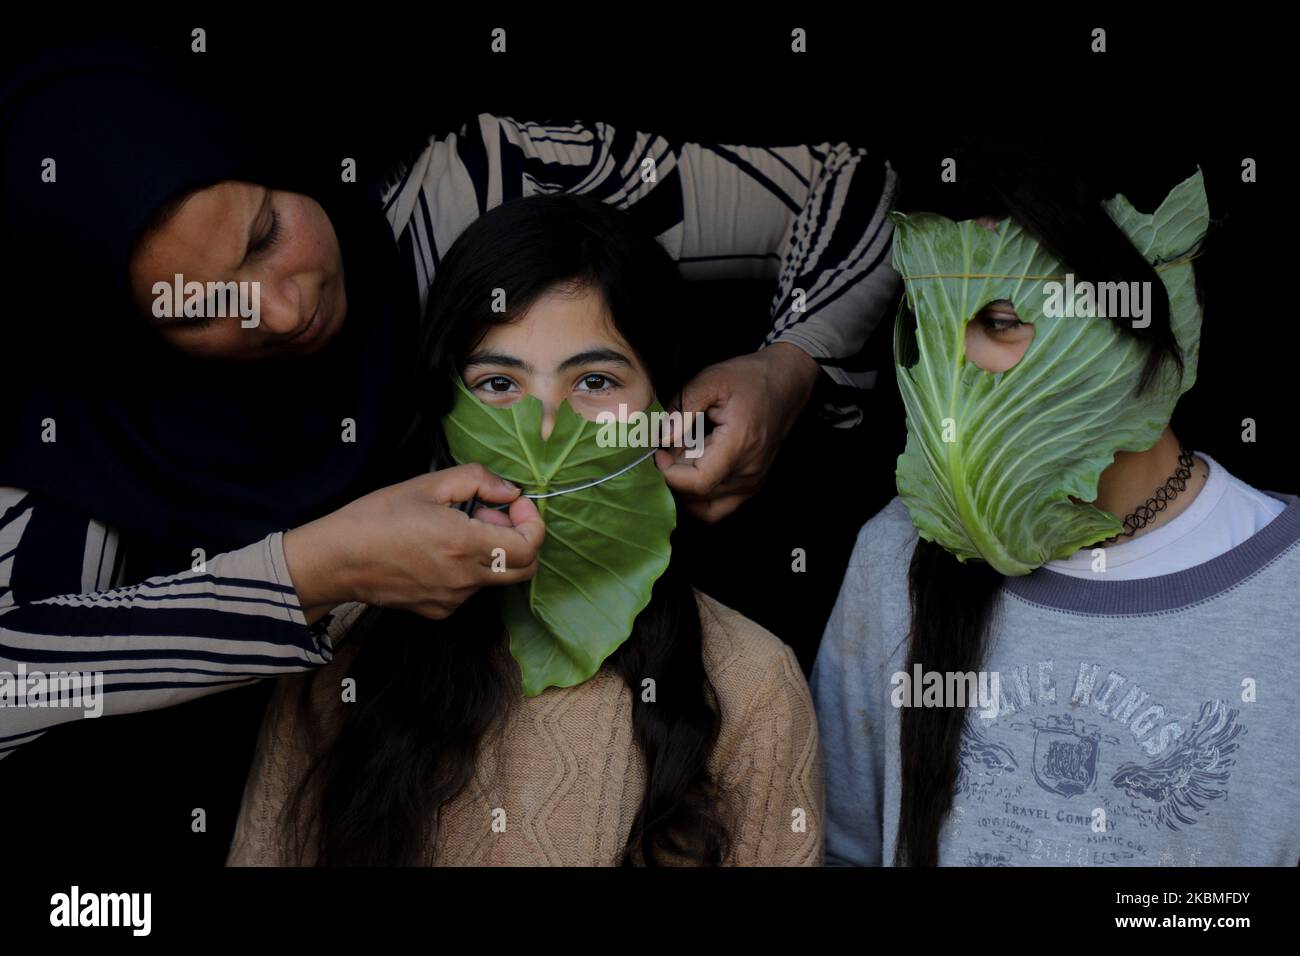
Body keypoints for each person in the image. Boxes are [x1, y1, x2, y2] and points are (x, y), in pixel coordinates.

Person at [0, 38, 889, 863]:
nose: (280, 309)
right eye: (197, 309)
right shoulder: (69, 468)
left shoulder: (472, 194)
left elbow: (860, 194)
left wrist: (788, 367)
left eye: (267, 236)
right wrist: (312, 574)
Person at [227, 194, 824, 866]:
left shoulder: (753, 684)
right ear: (444, 410)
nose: (544, 432)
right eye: (497, 383)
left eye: (595, 379)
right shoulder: (340, 649)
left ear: (668, 413)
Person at [810, 146, 1300, 866]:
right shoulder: (891, 558)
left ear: (1147, 308)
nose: (960, 365)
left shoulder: (1283, 593)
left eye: (1001, 320)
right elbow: (842, 847)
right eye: (933, 321)